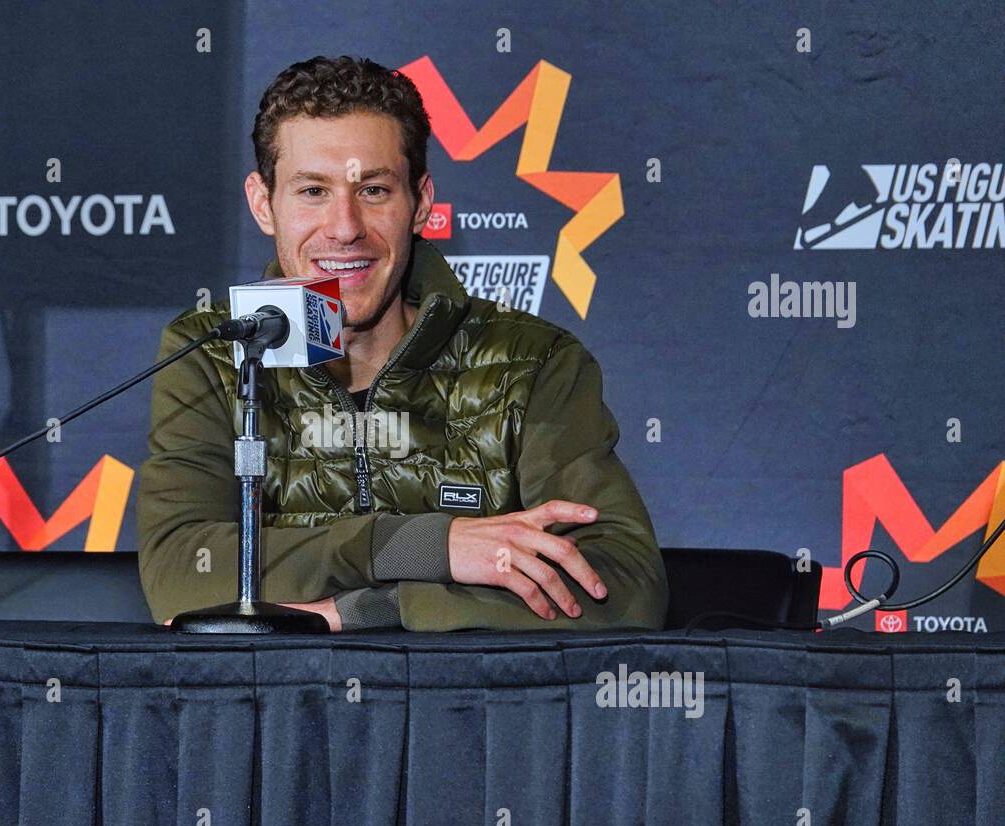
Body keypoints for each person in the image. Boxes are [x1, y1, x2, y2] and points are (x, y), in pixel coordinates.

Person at [138, 55, 667, 632]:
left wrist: (369, 610)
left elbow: (625, 589)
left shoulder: (533, 363)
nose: (344, 227)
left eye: (373, 190)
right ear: (264, 204)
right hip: (275, 718)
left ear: (421, 203)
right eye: (313, 190)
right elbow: (180, 573)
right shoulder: (214, 354)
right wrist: (427, 547)